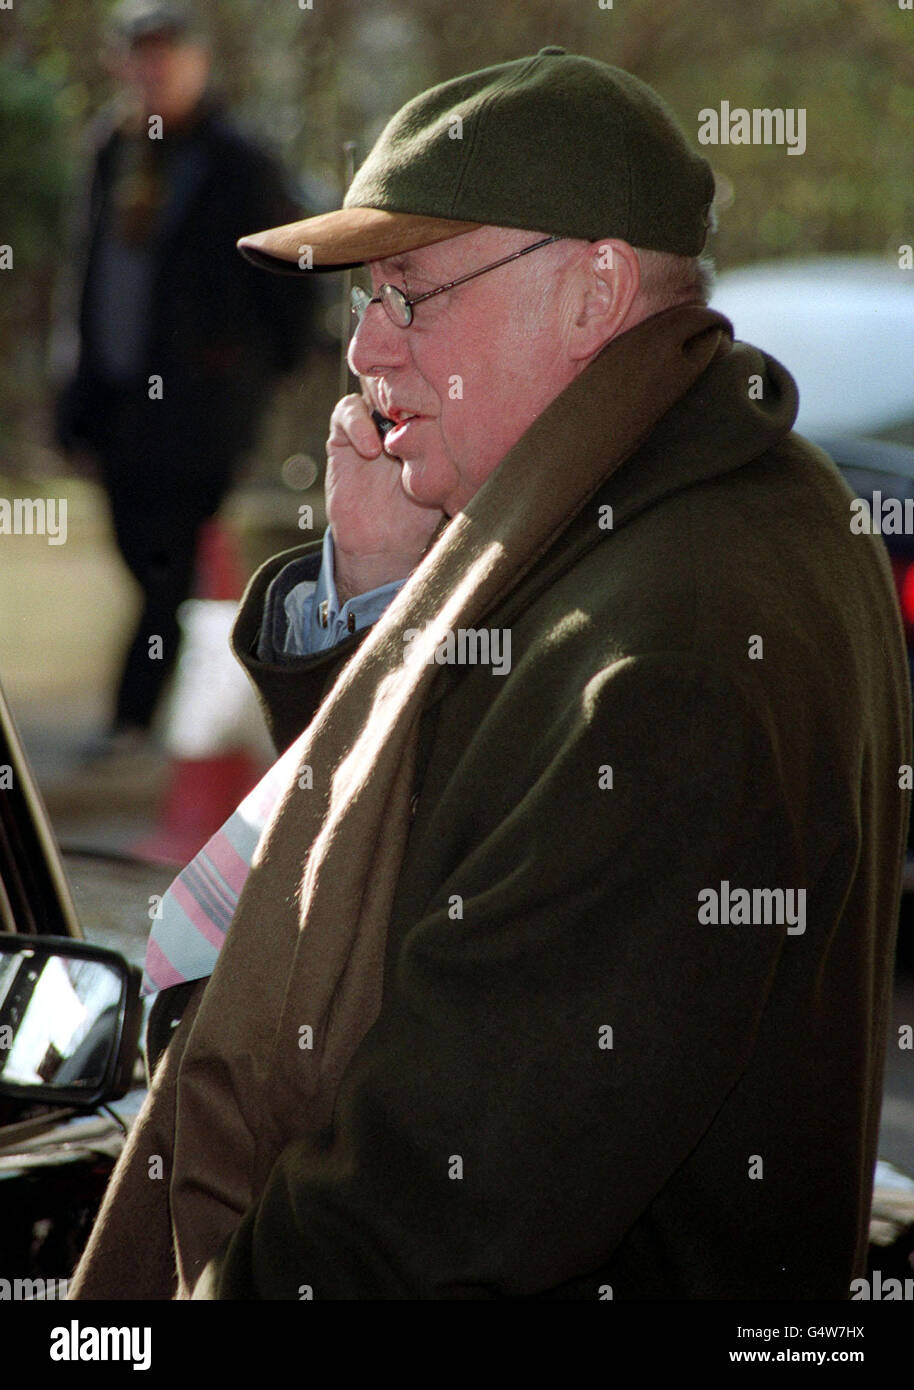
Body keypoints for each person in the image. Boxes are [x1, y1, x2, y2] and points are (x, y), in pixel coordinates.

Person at [71, 49, 910, 1301]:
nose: (363, 351)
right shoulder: (656, 503)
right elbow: (416, 851)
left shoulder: (667, 654)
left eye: (410, 292)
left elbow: (423, 1229)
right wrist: (376, 591)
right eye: (366, 298)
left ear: (592, 293)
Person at [53, 0, 313, 753]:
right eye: (141, 54)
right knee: (146, 560)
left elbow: (290, 284)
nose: (154, 69)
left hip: (200, 418)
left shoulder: (240, 161)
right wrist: (76, 394)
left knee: (166, 565)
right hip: (116, 406)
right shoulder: (112, 148)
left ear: (198, 61)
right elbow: (89, 278)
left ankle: (132, 723)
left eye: (168, 53)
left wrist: (250, 376)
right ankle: (172, 708)